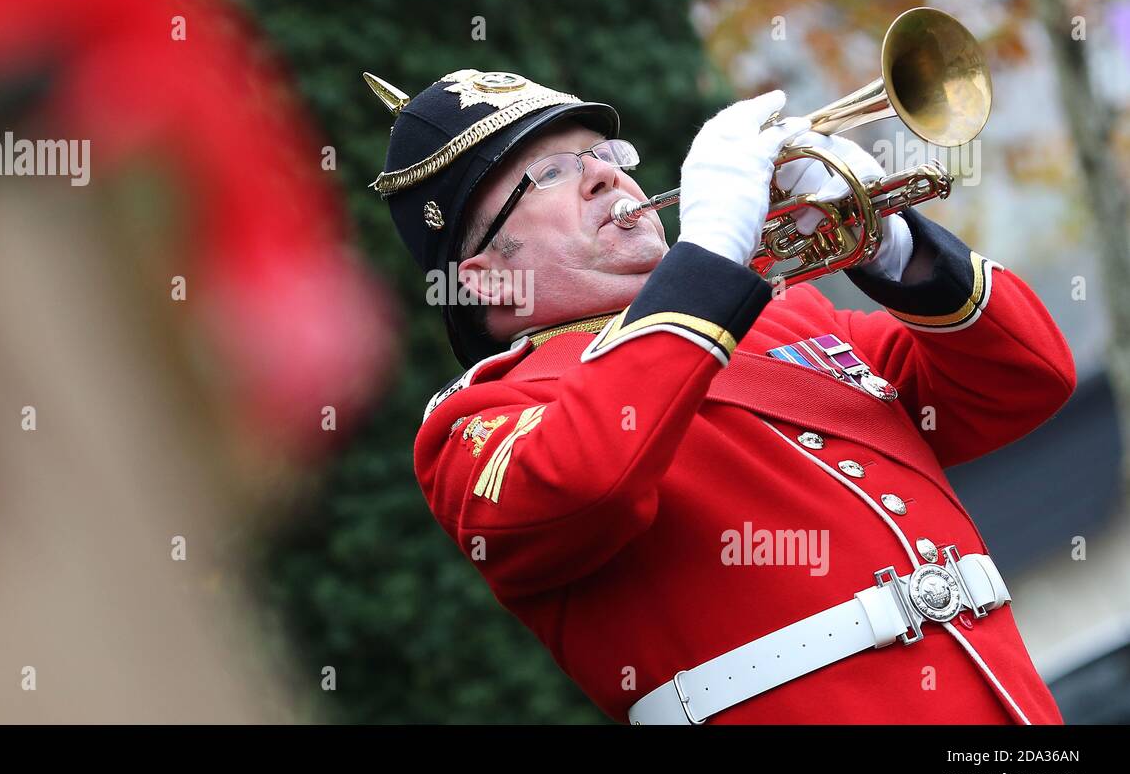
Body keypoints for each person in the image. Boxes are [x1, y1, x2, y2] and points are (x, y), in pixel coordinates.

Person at [365, 68, 1075, 724]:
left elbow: (1025, 379)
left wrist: (895, 246)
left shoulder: (788, 320)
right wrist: (706, 256)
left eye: (607, 156)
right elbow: (585, 479)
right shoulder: (477, 421)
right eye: (551, 173)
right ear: (485, 277)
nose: (606, 180)